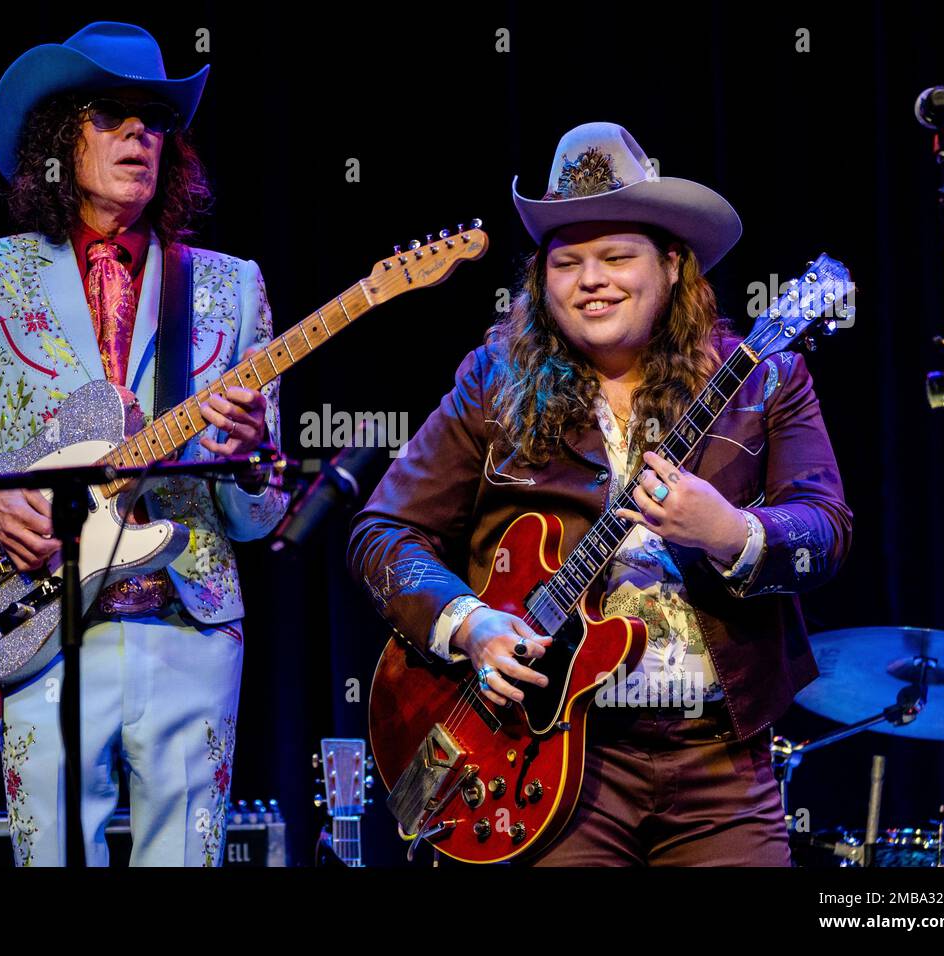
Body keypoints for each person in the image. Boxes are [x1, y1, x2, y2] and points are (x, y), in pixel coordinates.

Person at [0, 22, 289, 866]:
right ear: (56, 136)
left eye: (154, 119)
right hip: (37, 626)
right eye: (111, 114)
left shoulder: (230, 287)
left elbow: (258, 518)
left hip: (191, 624)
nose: (139, 135)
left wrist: (252, 457)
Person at [347, 122, 852, 865]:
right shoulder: (492, 382)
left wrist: (731, 533)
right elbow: (383, 533)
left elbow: (826, 531)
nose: (592, 281)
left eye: (617, 257)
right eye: (567, 262)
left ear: (674, 265)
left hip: (720, 755)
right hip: (545, 754)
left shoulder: (763, 379)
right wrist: (471, 623)